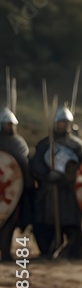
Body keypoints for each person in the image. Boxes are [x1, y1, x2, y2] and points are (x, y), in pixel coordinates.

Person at [31, 103, 82, 258]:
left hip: (69, 190)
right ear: (55, 123)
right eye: (61, 122)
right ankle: (47, 250)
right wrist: (47, 175)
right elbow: (36, 164)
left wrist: (69, 177)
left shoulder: (77, 146)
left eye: (66, 122)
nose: (63, 125)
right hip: (50, 189)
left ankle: (72, 250)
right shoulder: (44, 144)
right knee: (46, 221)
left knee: (71, 221)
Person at [0, 107, 30, 261]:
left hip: (13, 191)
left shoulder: (19, 142)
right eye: (7, 124)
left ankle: (5, 253)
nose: (10, 127)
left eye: (12, 124)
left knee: (10, 223)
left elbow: (23, 164)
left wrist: (29, 184)